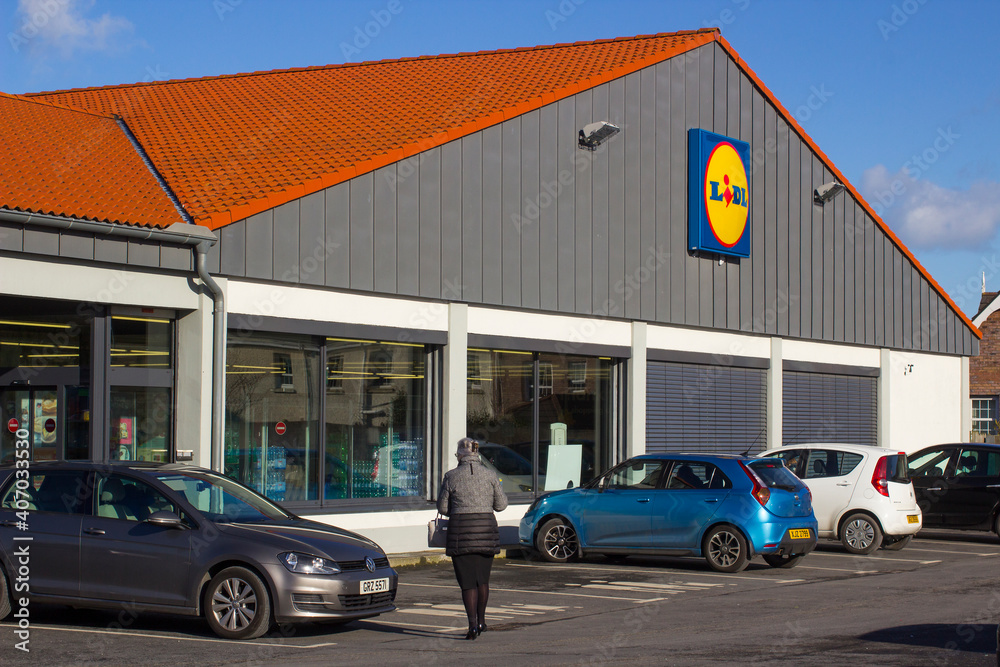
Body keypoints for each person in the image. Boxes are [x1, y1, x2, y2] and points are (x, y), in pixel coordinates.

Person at [437, 437, 508, 640]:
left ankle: (472, 627)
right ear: (476, 454)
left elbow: (442, 508)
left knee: (467, 583)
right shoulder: (490, 475)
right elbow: (501, 505)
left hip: (461, 533)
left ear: (460, 455)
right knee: (482, 580)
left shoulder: (451, 477)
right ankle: (482, 621)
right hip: (486, 532)